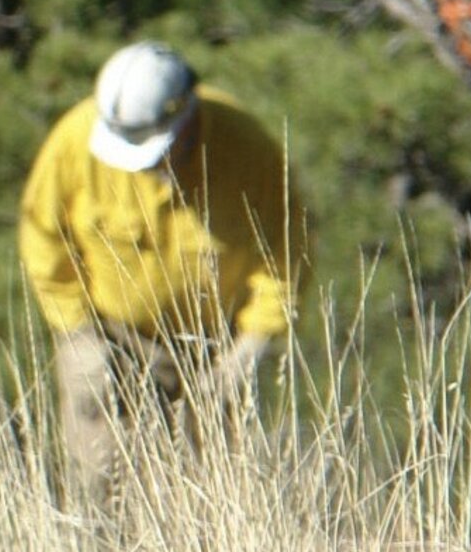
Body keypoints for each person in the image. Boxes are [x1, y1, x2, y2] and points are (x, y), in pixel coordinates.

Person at [19, 41, 309, 507]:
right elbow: (44, 241)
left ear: (187, 117)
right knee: (101, 489)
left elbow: (286, 251)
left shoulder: (248, 148)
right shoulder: (73, 142)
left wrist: (253, 347)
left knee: (212, 496)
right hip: (109, 339)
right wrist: (75, 336)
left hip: (217, 346)